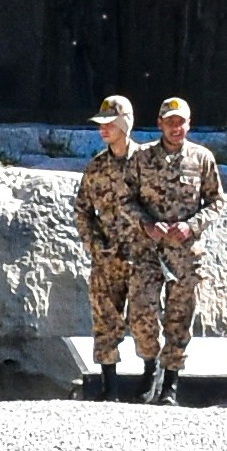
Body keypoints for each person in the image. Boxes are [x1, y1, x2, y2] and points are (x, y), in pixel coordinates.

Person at [121, 93, 223, 401]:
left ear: (188, 125)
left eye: (180, 123)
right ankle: (150, 365)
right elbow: (125, 200)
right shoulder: (141, 158)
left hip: (185, 255)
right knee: (140, 313)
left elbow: (216, 202)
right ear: (159, 125)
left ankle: (171, 384)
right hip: (148, 251)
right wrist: (147, 225)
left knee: (179, 320)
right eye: (169, 123)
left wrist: (190, 226)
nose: (175, 128)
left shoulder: (202, 159)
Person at [72, 93, 146, 389]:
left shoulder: (146, 162)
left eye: (110, 123)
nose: (103, 129)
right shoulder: (95, 167)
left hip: (142, 257)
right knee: (104, 322)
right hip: (106, 258)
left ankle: (150, 383)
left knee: (145, 320)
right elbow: (83, 211)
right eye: (100, 124)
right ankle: (109, 387)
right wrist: (94, 246)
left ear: (125, 124)